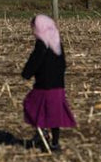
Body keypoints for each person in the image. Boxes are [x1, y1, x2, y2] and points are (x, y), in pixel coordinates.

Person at [21, 14, 76, 152]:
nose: (33, 32)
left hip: (44, 86)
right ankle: (55, 143)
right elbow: (63, 64)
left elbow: (35, 62)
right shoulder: (57, 42)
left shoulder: (42, 44)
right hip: (58, 86)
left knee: (31, 105)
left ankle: (43, 134)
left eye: (34, 28)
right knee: (54, 115)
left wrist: (26, 74)